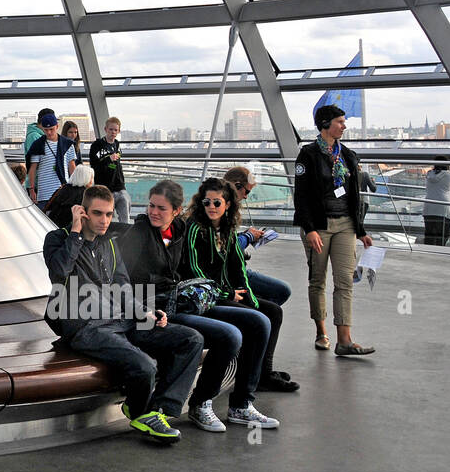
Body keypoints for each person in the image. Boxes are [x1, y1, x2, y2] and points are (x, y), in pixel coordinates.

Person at [43, 185, 203, 442]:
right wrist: (75, 232)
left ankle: (156, 411)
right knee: (145, 366)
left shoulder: (110, 245)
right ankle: (141, 411)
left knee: (191, 339)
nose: (105, 221)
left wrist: (145, 313)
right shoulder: (58, 239)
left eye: (108, 214)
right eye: (97, 214)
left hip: (121, 320)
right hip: (87, 326)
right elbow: (59, 273)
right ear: (82, 212)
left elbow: (123, 288)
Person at [115, 180, 276, 432]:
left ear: (177, 211)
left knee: (259, 321)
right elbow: (120, 280)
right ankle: (201, 404)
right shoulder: (138, 235)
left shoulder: (178, 229)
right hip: (154, 309)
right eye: (151, 206)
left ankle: (242, 404)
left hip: (180, 301)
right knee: (229, 335)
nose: (154, 212)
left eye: (161, 208)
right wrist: (145, 312)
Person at [181, 178, 298, 404]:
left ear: (227, 205)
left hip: (224, 293)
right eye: (207, 202)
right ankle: (242, 398)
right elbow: (196, 274)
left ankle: (262, 375)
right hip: (205, 298)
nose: (211, 207)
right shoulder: (195, 229)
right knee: (256, 321)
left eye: (217, 203)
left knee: (272, 312)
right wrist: (228, 295)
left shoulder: (228, 230)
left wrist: (250, 299)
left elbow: (238, 270)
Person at [294, 104, 375, 356]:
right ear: (325, 124)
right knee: (317, 279)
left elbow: (354, 196)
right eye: (340, 121)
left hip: (345, 225)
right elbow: (302, 196)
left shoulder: (348, 155)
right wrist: (309, 229)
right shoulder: (307, 155)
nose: (344, 125)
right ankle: (321, 331)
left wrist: (360, 231)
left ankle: (345, 340)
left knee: (344, 282)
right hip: (318, 226)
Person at [223, 166, 293, 308]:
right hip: (229, 272)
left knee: (276, 296)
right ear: (236, 186)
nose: (246, 197)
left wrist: (244, 235)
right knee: (281, 292)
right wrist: (248, 236)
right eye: (246, 191)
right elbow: (225, 247)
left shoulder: (225, 208)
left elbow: (225, 240)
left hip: (233, 268)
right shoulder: (221, 209)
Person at [26, 111, 77, 207]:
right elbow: (32, 168)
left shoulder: (68, 144)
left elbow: (71, 166)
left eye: (51, 129)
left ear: (57, 127)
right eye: (46, 130)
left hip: (63, 191)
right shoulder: (38, 145)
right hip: (44, 195)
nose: (49, 132)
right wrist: (31, 189)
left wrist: (75, 187)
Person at [89, 116, 129, 223]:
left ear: (119, 131)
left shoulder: (117, 145)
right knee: (106, 220)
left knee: (125, 220)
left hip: (119, 187)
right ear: (105, 129)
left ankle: (124, 238)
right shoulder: (97, 145)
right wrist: (109, 159)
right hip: (105, 188)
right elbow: (94, 165)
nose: (113, 132)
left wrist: (122, 184)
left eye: (115, 130)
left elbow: (117, 166)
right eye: (111, 129)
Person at [44, 164, 94, 228]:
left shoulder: (63, 188)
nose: (92, 181)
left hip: (51, 224)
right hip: (70, 228)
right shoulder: (85, 194)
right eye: (91, 178)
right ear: (85, 178)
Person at [422, 159, 450, 247]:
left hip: (428, 207)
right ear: (447, 164)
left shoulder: (429, 174)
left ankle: (428, 254)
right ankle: (439, 254)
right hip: (443, 208)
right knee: (442, 236)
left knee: (429, 235)